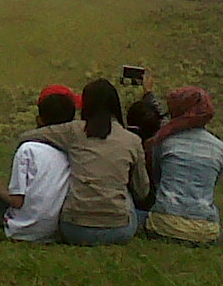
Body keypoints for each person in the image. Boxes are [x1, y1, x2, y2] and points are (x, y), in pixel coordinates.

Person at [22, 78, 150, 246]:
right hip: (118, 231)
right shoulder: (132, 140)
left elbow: (26, 137)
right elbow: (142, 191)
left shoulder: (74, 131)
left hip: (74, 229)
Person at [0, 85, 78, 243]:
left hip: (25, 231)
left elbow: (17, 201)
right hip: (56, 230)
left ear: (39, 120)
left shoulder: (28, 149)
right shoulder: (72, 151)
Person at [141, 85, 223, 246]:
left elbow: (156, 180)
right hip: (206, 230)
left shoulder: (162, 142)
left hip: (163, 225)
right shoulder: (221, 148)